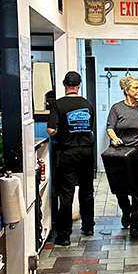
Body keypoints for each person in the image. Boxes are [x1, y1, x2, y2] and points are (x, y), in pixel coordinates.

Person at [46, 71, 96, 247]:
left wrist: (62, 132)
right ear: (79, 85)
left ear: (64, 84)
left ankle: (64, 236)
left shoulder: (58, 105)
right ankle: (88, 226)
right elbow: (91, 128)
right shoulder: (87, 104)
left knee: (66, 194)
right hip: (87, 152)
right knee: (87, 190)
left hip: (67, 153)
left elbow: (51, 130)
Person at [106, 76, 138, 241]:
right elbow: (110, 128)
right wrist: (114, 138)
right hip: (119, 154)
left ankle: (134, 226)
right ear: (126, 90)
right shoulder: (117, 109)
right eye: (135, 88)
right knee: (121, 191)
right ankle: (126, 212)